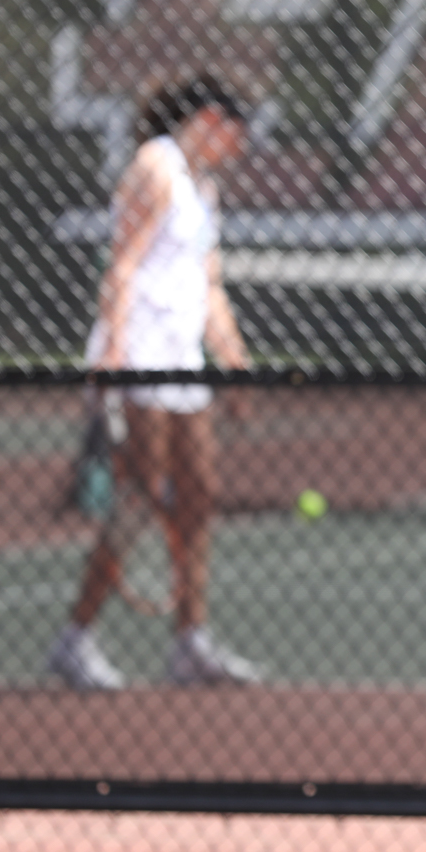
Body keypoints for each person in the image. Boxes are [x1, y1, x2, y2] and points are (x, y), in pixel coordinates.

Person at [47, 75, 261, 690]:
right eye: (234, 136)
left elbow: (209, 284)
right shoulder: (155, 165)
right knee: (141, 495)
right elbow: (124, 261)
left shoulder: (205, 189)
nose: (238, 150)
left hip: (182, 356)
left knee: (198, 496)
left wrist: (235, 360)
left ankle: (191, 643)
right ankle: (75, 639)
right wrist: (113, 350)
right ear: (211, 121)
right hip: (139, 350)